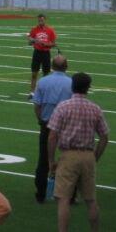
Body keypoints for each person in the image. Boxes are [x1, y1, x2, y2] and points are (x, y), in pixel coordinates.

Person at [43, 72, 108, 232]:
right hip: (88, 155)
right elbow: (104, 136)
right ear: (88, 88)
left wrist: (51, 160)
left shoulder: (63, 107)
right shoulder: (95, 108)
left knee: (63, 198)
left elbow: (52, 135)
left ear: (72, 86)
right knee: (91, 199)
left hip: (69, 155)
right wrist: (95, 156)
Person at [30, 54, 73, 204]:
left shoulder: (43, 81)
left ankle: (41, 193)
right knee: (69, 159)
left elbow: (37, 104)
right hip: (66, 126)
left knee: (43, 159)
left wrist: (41, 120)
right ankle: (70, 195)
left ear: (52, 66)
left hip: (47, 124)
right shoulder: (71, 83)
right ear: (66, 67)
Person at [27, 14, 57, 86]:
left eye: (42, 20)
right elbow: (29, 43)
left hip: (46, 53)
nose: (40, 22)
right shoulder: (34, 29)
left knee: (46, 74)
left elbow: (54, 44)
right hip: (37, 53)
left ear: (45, 20)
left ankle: (44, 89)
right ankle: (32, 91)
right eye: (39, 20)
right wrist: (33, 40)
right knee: (34, 73)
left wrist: (46, 44)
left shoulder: (50, 30)